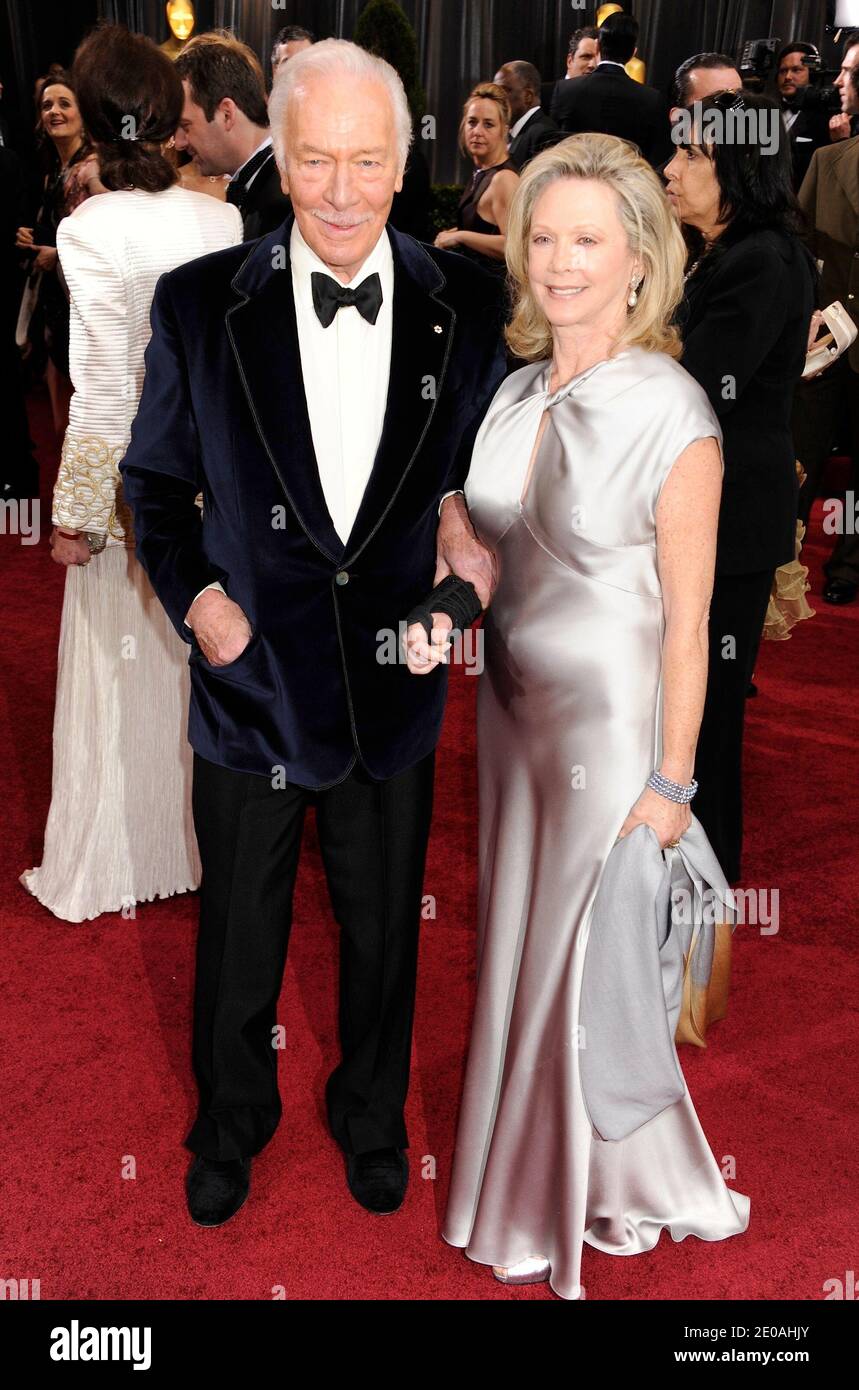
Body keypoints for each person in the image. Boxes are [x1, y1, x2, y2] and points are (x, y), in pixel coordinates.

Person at [118, 38, 507, 1229]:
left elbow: (482, 477)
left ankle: (372, 1116)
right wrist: (199, 601)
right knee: (238, 933)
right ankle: (230, 1120)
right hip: (251, 683)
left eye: (367, 161)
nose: (341, 191)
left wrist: (462, 532)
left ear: (403, 164)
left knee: (386, 931)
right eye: (317, 160)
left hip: (394, 682)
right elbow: (154, 483)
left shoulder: (465, 304)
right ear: (279, 160)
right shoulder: (200, 304)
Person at [405, 133, 749, 1302]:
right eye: (542, 237)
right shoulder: (512, 390)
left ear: (639, 260)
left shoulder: (673, 410)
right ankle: (563, 1166)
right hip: (511, 722)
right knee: (522, 945)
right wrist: (449, 578)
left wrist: (671, 784)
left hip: (609, 729)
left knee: (573, 958)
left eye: (586, 241)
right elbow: (491, 543)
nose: (557, 262)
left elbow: (689, 622)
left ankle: (550, 1194)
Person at [20, 25, 243, 923]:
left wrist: (76, 512)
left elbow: (107, 383)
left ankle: (112, 863)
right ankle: (188, 846)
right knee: (188, 662)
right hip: (210, 485)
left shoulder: (89, 228)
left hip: (131, 485)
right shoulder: (222, 218)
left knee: (116, 676)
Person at [664, 90, 817, 881]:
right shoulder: (733, 252)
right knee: (687, 721)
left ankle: (703, 902)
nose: (670, 169)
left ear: (737, 165)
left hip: (724, 524)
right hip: (714, 515)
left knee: (704, 724)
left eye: (690, 154)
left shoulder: (758, 259)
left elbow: (695, 391)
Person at [792, 58, 859, 605]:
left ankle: (849, 564)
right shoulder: (827, 161)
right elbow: (801, 253)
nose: (838, 82)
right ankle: (781, 557)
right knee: (801, 459)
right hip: (825, 348)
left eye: (850, 73)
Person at [15, 72, 90, 432]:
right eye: (47, 105)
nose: (54, 112)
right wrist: (33, 236)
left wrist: (57, 253)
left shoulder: (93, 169)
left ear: (82, 113)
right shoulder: (53, 172)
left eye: (64, 103)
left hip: (84, 302)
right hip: (56, 300)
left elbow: (103, 237)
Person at [174, 31, 291, 238]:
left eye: (186, 126)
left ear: (227, 114)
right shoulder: (267, 182)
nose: (179, 143)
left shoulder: (284, 198)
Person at [551, 11, 672, 167]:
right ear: (633, 53)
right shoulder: (652, 99)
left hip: (571, 178)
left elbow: (551, 151)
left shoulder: (564, 90)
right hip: (628, 182)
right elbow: (658, 159)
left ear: (597, 46)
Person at [434, 83, 518, 275]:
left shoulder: (504, 179)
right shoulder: (482, 171)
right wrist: (455, 233)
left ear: (504, 130)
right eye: (472, 122)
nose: (477, 131)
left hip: (493, 288)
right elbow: (484, 228)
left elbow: (513, 246)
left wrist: (461, 236)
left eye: (488, 124)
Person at [775, 42, 832, 189]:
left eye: (796, 70)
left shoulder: (825, 119)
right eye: (783, 71)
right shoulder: (765, 113)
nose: (788, 77)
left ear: (813, 74)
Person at [493, 61, 558, 172]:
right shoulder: (509, 133)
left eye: (503, 91)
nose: (495, 98)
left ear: (528, 96)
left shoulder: (544, 134)